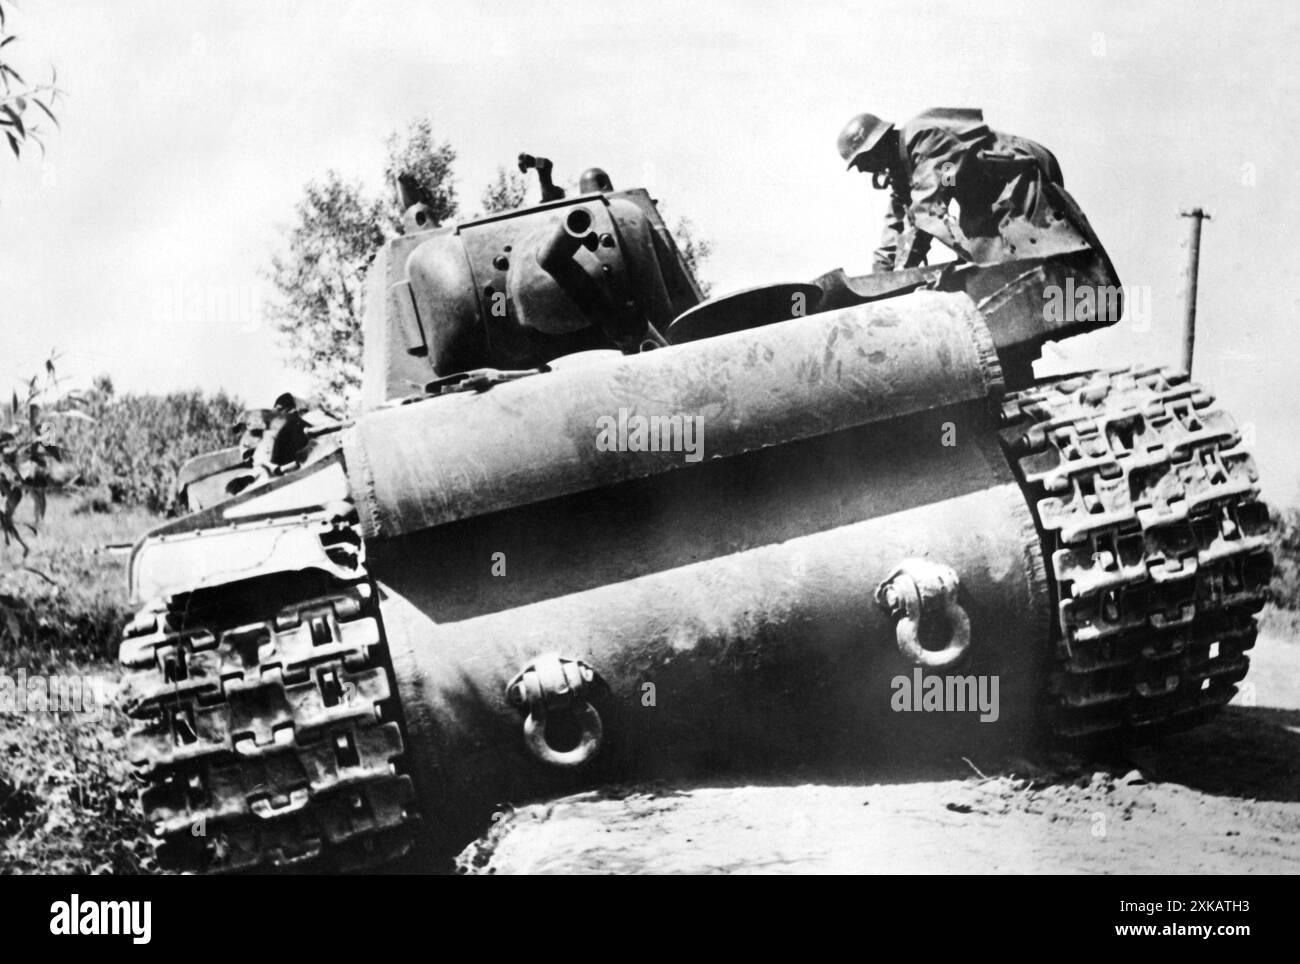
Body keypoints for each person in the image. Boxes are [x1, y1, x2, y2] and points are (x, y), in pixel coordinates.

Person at [837, 107, 1076, 272]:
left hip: (1017, 172)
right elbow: (896, 223)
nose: (861, 171)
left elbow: (926, 211)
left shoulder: (925, 138)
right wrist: (879, 280)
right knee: (982, 254)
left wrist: (902, 271)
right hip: (982, 193)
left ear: (876, 148)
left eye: (862, 162)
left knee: (1006, 264)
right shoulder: (902, 168)